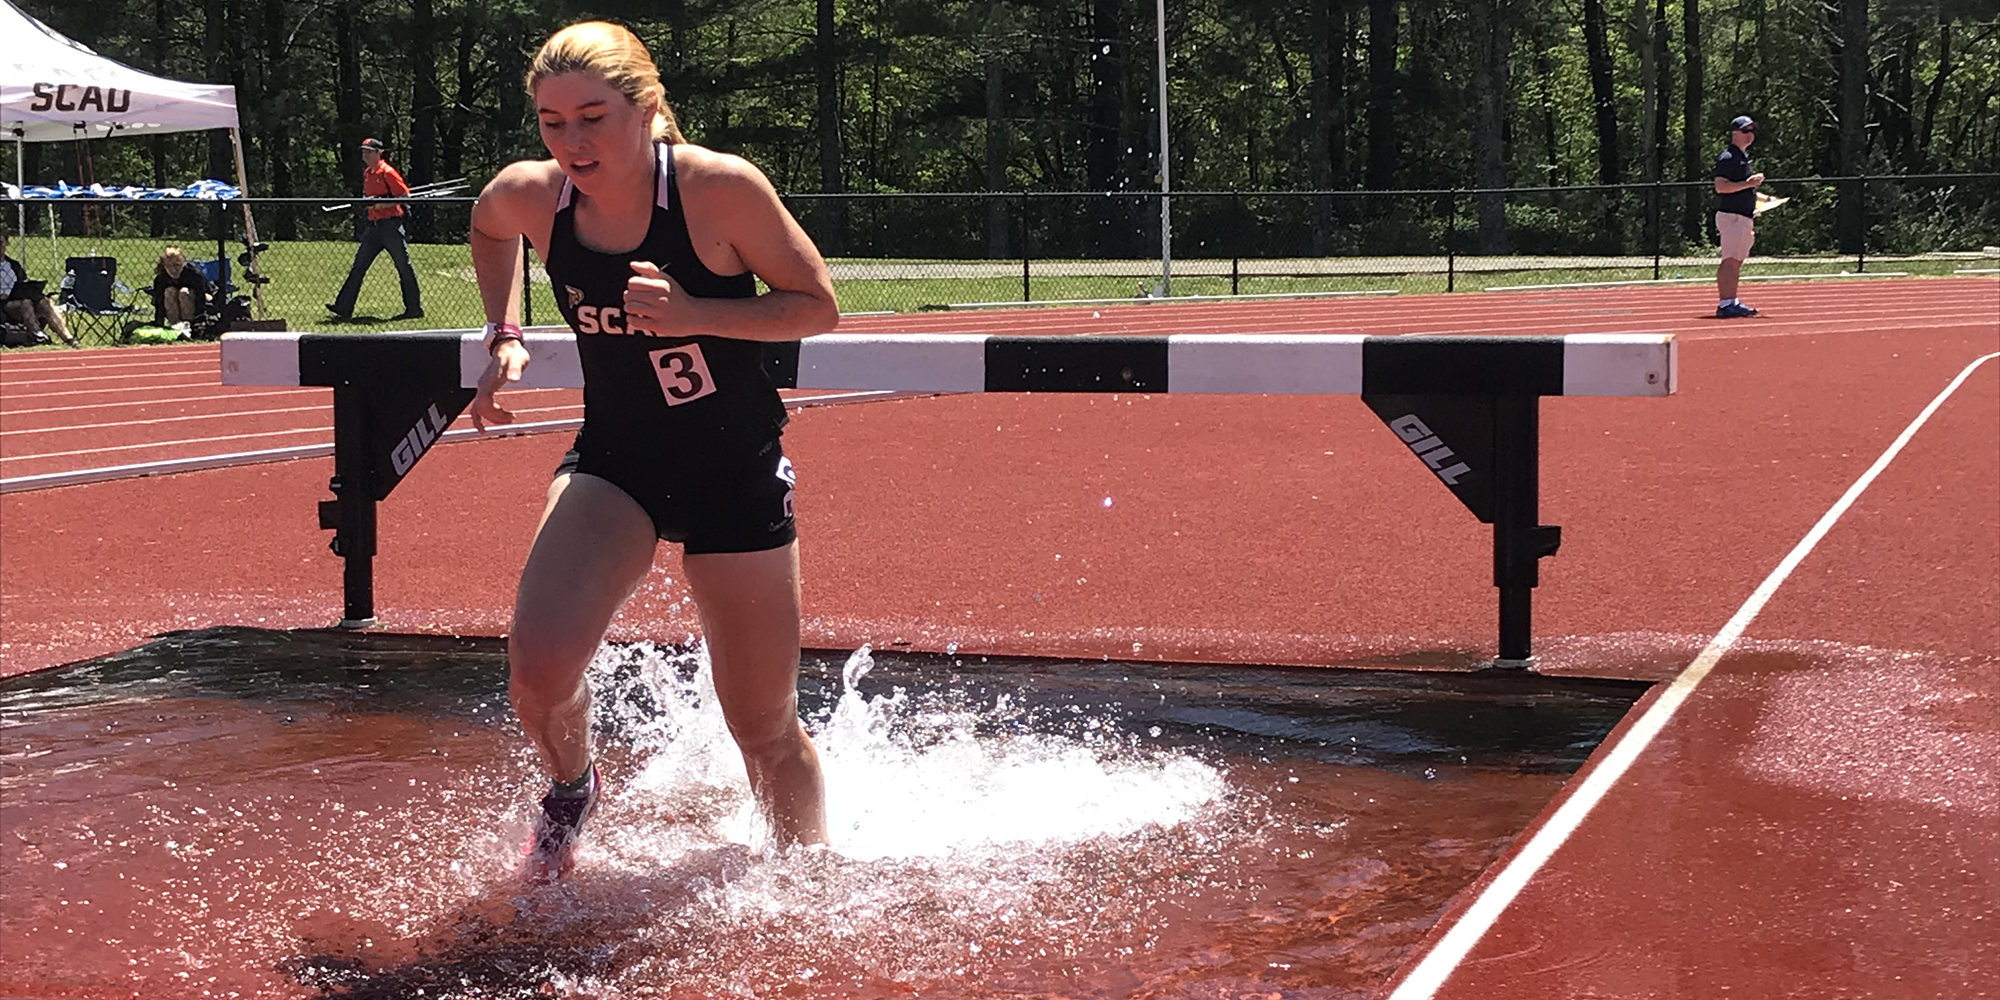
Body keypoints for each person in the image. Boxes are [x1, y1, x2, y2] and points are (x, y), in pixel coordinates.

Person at [468, 20, 841, 880]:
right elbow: (489, 227)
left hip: (733, 475)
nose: (573, 142)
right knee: (539, 669)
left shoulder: (717, 190)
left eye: (592, 116)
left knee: (762, 726)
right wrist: (505, 329)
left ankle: (809, 881)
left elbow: (816, 305)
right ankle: (571, 785)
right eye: (553, 122)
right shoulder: (533, 197)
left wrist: (695, 313)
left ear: (645, 108)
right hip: (618, 463)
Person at [326, 137, 424, 321]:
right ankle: (343, 307)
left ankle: (414, 308)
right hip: (374, 227)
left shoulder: (387, 172)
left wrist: (383, 204)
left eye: (369, 152)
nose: (365, 155)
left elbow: (404, 195)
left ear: (379, 153)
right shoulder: (367, 173)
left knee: (403, 267)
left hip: (390, 225)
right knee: (358, 267)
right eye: (364, 152)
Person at [1713, 115, 1764, 319]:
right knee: (1730, 260)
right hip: (1732, 217)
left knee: (1736, 261)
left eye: (1751, 131)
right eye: (1745, 131)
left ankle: (1731, 301)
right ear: (1734, 133)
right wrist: (1748, 184)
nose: (1749, 135)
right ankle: (1726, 303)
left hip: (1743, 216)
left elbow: (1743, 190)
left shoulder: (1743, 158)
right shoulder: (1728, 157)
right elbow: (1720, 186)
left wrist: (1762, 198)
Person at [0, 229, 76, 346]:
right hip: (4, 304)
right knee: (25, 303)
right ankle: (38, 334)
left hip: (19, 298)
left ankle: (68, 338)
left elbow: (22, 284)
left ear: (6, 243)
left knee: (45, 302)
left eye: (1, 243)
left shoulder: (14, 266)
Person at [150, 246, 211, 328]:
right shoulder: (161, 279)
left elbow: (201, 298)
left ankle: (190, 325)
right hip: (173, 306)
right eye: (168, 266)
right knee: (169, 291)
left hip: (196, 302)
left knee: (183, 292)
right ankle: (175, 325)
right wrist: (159, 324)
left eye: (177, 265)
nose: (173, 270)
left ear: (183, 263)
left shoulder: (194, 274)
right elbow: (159, 302)